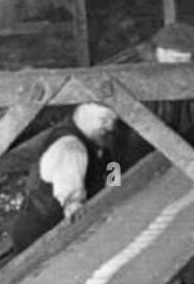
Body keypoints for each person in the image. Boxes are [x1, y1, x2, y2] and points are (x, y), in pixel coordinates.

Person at [9, 101, 118, 253]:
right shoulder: (71, 148)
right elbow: (73, 205)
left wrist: (116, 189)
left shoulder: (99, 140)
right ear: (84, 117)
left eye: (113, 120)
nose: (111, 126)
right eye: (104, 120)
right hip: (42, 233)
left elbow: (112, 167)